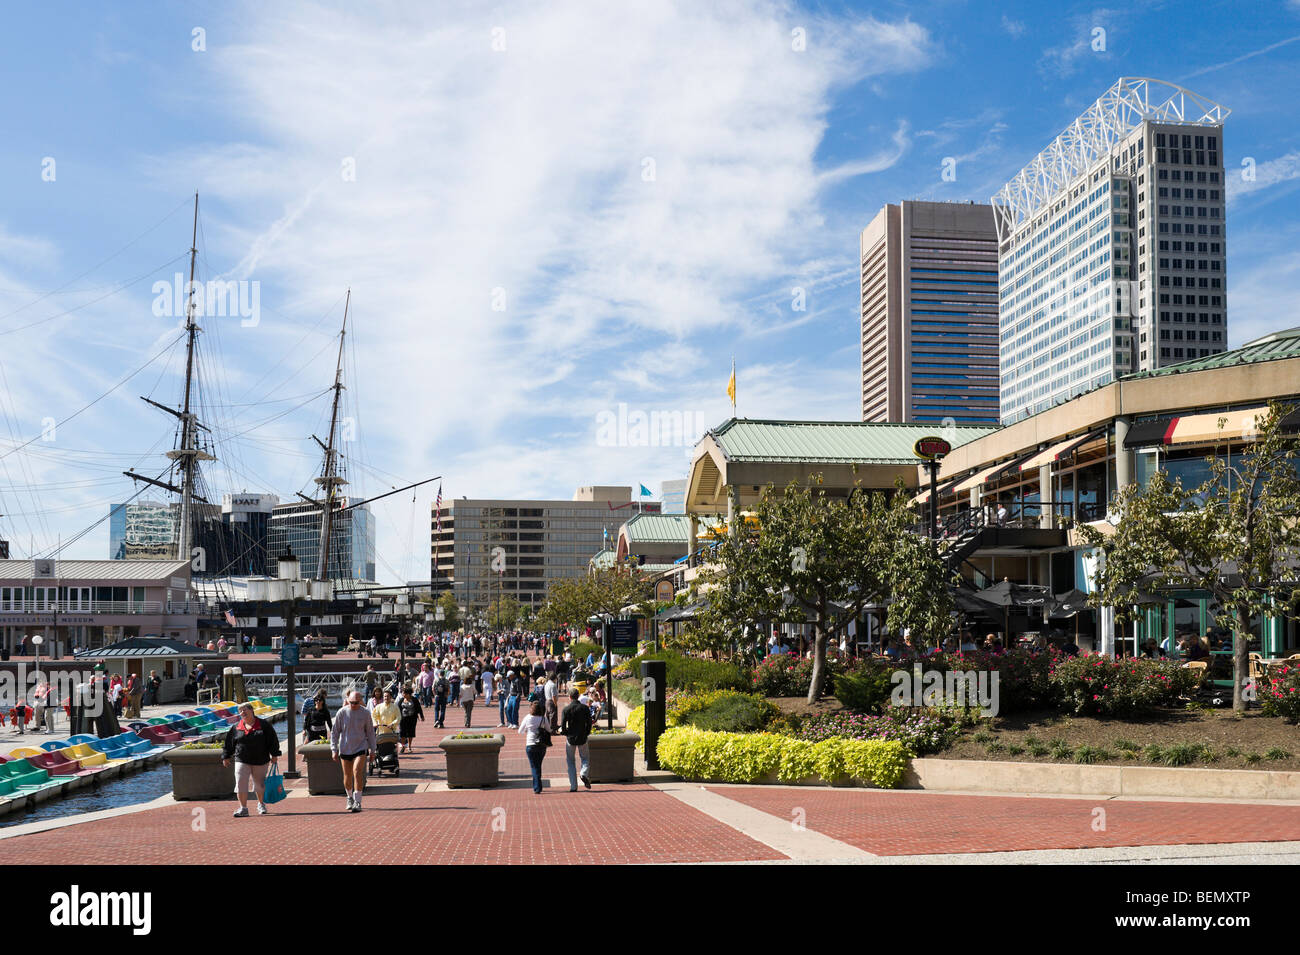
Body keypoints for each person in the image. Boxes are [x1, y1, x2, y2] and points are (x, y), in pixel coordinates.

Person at [222, 701, 281, 817]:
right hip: (241, 759)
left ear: (252, 710)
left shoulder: (264, 725)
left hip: (261, 759)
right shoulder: (236, 727)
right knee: (240, 783)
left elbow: (273, 740)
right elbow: (229, 743)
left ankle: (261, 804)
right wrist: (226, 756)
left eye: (245, 710)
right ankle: (243, 808)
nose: (242, 712)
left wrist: (274, 755)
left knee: (259, 785)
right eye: (240, 711)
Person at [331, 690, 377, 812]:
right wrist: (333, 749)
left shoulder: (366, 713)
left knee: (357, 771)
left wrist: (373, 750)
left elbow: (370, 733)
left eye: (356, 703)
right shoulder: (342, 712)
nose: (353, 705)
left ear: (360, 701)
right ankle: (349, 797)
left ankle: (358, 801)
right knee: (347, 775)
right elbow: (335, 732)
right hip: (345, 748)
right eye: (351, 703)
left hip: (360, 747)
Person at [560, 688, 592, 792]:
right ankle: (584, 773)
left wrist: (565, 733)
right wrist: (587, 732)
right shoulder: (584, 708)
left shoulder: (566, 709)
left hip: (571, 737)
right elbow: (589, 722)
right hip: (582, 736)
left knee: (570, 761)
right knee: (585, 758)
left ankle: (573, 785)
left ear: (569, 697)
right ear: (578, 696)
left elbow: (563, 725)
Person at [518, 700, 551, 794]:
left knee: (534, 766)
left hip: (530, 744)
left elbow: (520, 731)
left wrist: (529, 730)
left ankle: (537, 787)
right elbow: (549, 729)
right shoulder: (543, 718)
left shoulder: (528, 718)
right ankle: (537, 785)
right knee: (538, 765)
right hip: (541, 745)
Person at [397, 685, 424, 754]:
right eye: (403, 693)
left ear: (409, 694)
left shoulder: (414, 699)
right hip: (403, 719)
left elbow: (419, 708)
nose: (403, 695)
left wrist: (421, 716)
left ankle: (409, 746)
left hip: (412, 719)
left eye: (405, 693)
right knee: (402, 733)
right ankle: (403, 746)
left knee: (410, 733)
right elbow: (397, 709)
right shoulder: (401, 700)